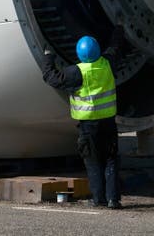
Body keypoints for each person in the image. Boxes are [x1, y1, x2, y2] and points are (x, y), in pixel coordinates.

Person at [42, 36, 121, 209]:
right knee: (111, 160)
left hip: (88, 126)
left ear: (79, 53)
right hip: (108, 122)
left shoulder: (76, 73)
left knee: (92, 161)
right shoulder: (107, 64)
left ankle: (98, 199)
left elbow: (51, 77)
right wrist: (118, 30)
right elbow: (114, 48)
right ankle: (113, 200)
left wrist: (48, 57)